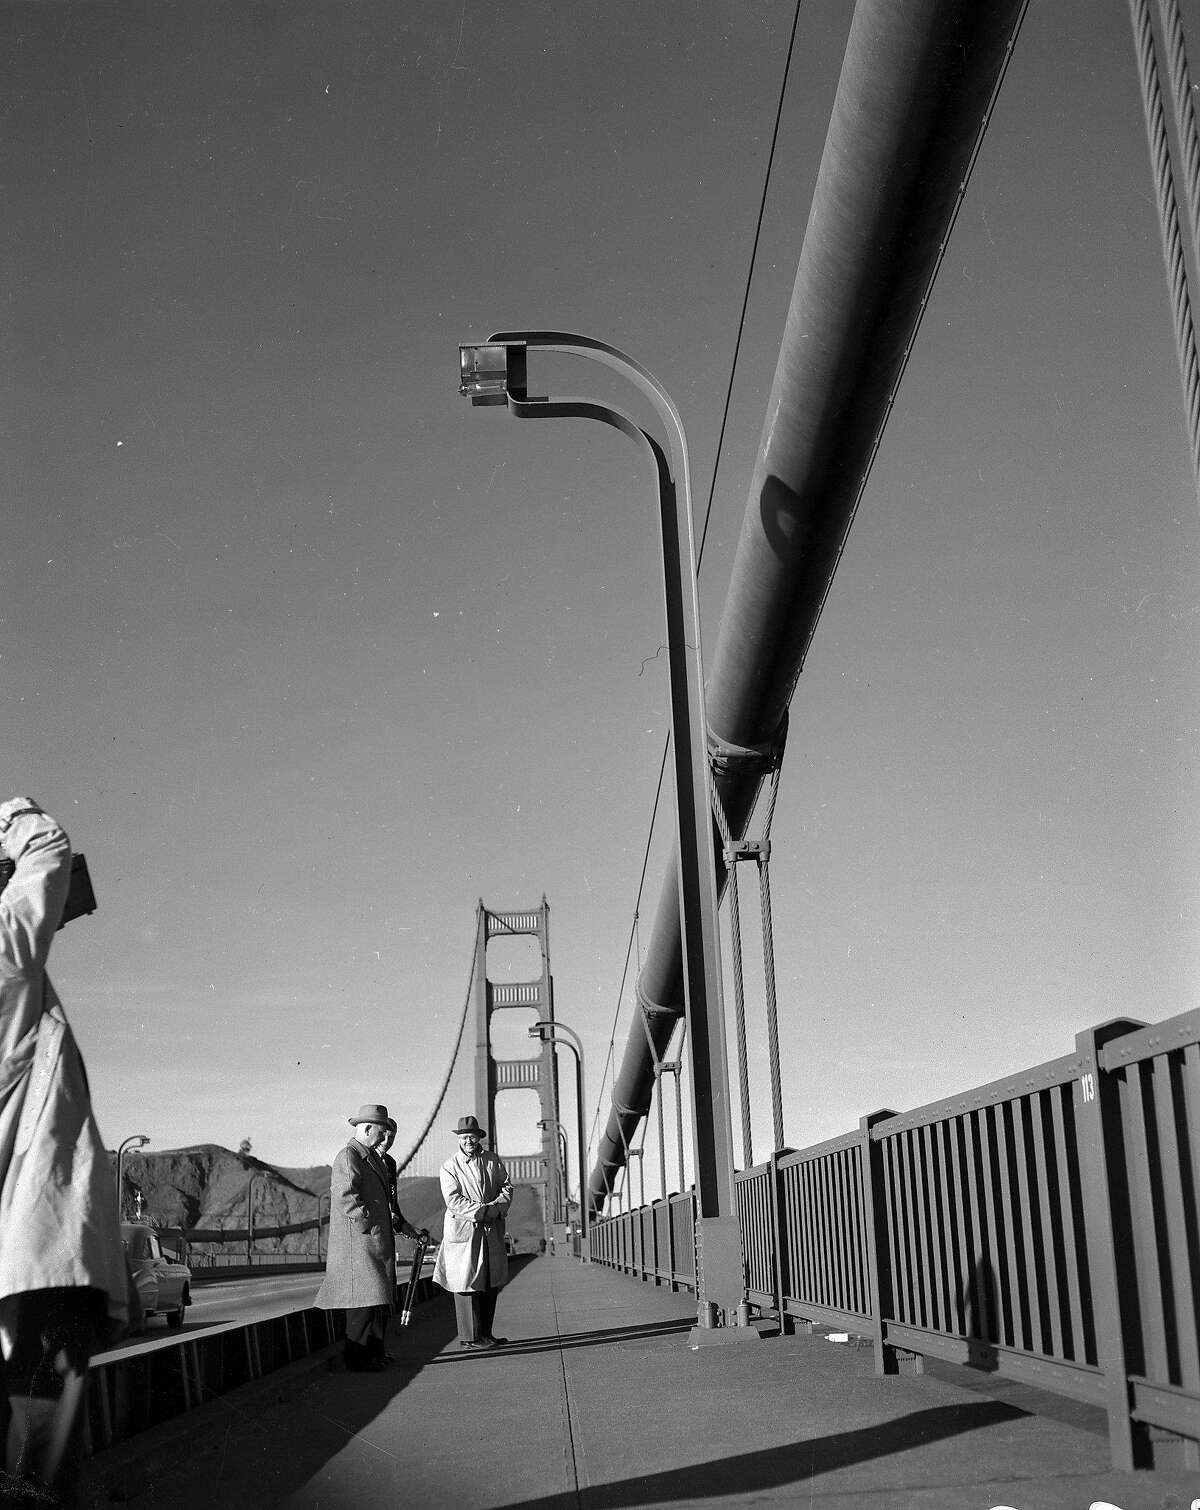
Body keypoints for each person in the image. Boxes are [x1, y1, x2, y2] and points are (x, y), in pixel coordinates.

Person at [0, 798, 128, 1506]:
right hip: (37, 1242)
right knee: (45, 1414)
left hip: (16, 1248)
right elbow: (46, 846)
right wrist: (9, 815)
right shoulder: (5, 956)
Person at [314, 1104, 423, 1372]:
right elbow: (345, 1198)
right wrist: (371, 1224)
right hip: (358, 1244)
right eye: (381, 1130)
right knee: (361, 1306)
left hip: (371, 1243)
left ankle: (374, 1354)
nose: (384, 1136)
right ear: (367, 1129)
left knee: (374, 1302)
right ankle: (359, 1361)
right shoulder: (348, 1156)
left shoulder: (370, 1158)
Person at [432, 1114, 513, 1351]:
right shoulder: (449, 1167)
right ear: (459, 1139)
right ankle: (470, 1337)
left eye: (473, 1136)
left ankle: (486, 1334)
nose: (469, 1141)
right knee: (465, 1283)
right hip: (465, 1231)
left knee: (490, 1282)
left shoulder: (492, 1160)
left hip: (490, 1230)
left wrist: (498, 1208)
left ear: (479, 1138)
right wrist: (483, 1211)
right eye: (465, 1137)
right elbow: (453, 1200)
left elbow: (507, 1187)